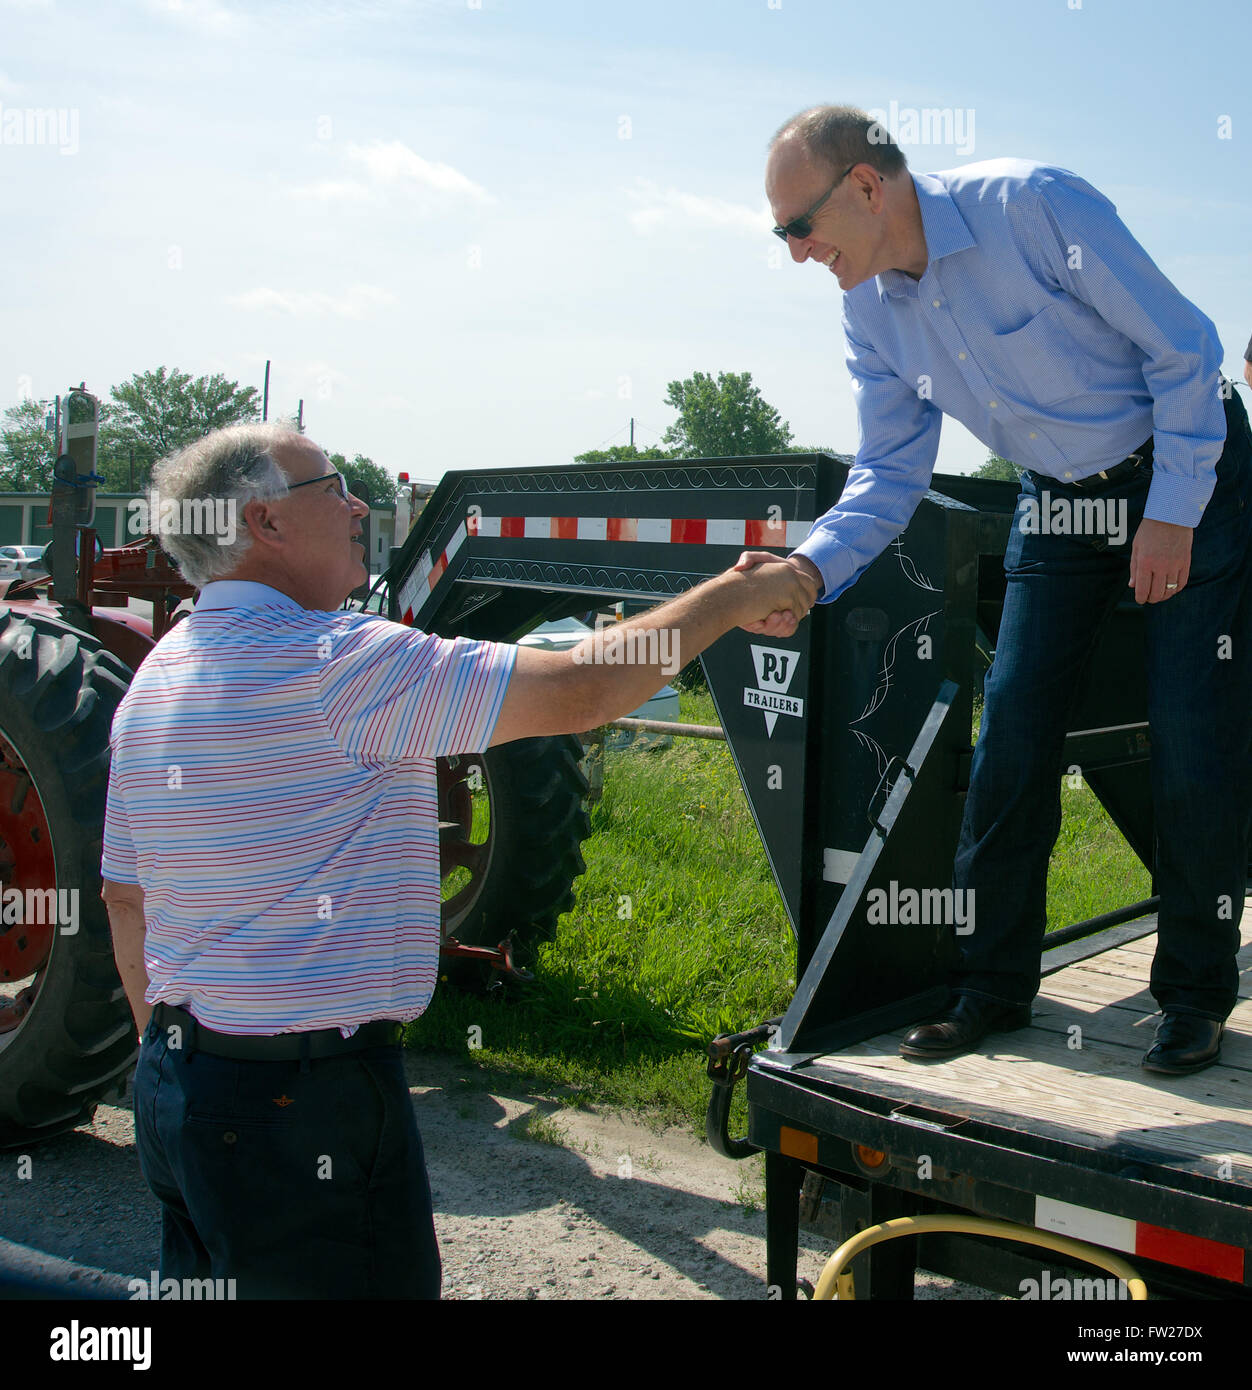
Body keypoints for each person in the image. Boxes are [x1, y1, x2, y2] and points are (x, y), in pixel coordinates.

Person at [102, 423, 817, 1299]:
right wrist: (735, 598)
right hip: (305, 1104)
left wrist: (175, 1063)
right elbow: (584, 687)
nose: (358, 502)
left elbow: (124, 897)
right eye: (330, 487)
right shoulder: (336, 664)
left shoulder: (156, 678)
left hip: (181, 1083)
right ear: (265, 523)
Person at [745, 103, 1252, 1075]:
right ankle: (989, 986)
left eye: (796, 226)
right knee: (1013, 731)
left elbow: (1185, 347)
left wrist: (1173, 513)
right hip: (1057, 498)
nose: (796, 252)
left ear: (864, 185)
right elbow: (889, 473)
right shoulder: (866, 310)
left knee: (1192, 732)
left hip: (1188, 466)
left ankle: (1192, 995)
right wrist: (807, 570)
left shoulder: (1032, 205)